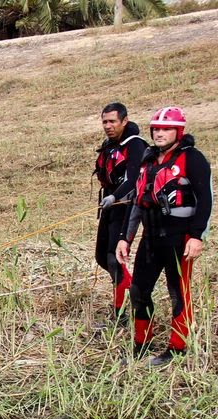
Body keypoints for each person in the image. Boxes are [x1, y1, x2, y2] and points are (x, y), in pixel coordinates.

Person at [116, 106, 212, 365]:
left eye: (166, 128)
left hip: (179, 238)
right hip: (150, 238)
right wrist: (125, 238)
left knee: (177, 293)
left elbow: (206, 199)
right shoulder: (148, 160)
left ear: (178, 131)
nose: (159, 133)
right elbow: (137, 202)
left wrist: (197, 236)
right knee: (138, 291)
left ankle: (177, 349)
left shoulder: (192, 159)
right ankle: (141, 343)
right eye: (156, 128)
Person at [93, 102, 147, 326]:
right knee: (102, 257)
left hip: (125, 205)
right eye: (105, 121)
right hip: (109, 205)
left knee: (114, 259)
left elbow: (134, 178)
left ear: (124, 121)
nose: (108, 126)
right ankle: (127, 292)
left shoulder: (135, 145)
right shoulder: (109, 145)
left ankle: (122, 312)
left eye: (112, 121)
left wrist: (115, 197)